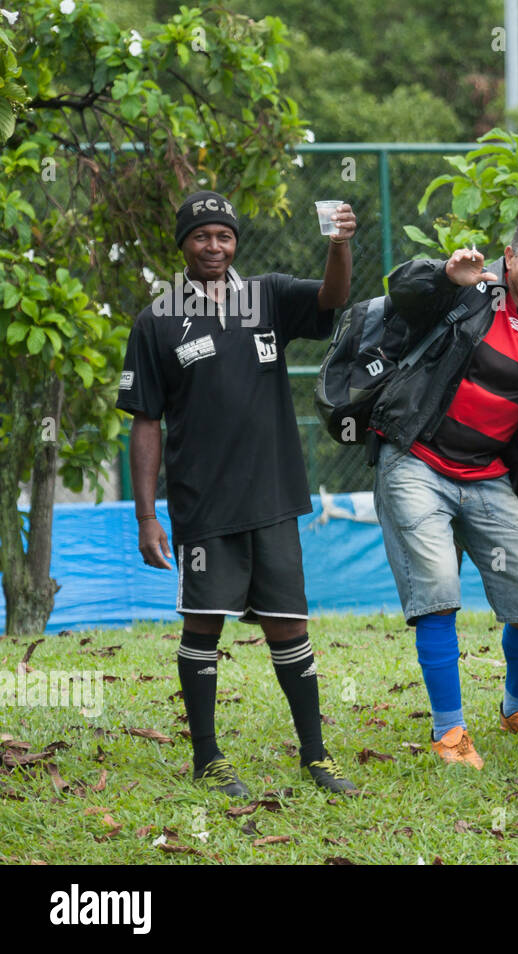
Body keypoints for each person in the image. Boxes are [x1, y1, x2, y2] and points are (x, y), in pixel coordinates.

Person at [118, 190, 358, 796]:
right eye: (202, 236)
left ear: (235, 241)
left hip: (274, 495)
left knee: (288, 627)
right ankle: (208, 758)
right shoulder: (157, 319)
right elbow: (145, 421)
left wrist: (339, 244)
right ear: (184, 244)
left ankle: (316, 754)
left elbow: (333, 299)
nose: (214, 246)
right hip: (204, 503)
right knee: (202, 625)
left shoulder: (268, 295)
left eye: (223, 236)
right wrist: (148, 517)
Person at [369, 212, 518, 769]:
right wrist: (445, 276)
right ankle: (449, 731)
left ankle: (517, 708)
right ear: (510, 254)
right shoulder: (466, 293)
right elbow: (402, 291)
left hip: (488, 477)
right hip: (415, 461)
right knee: (437, 591)